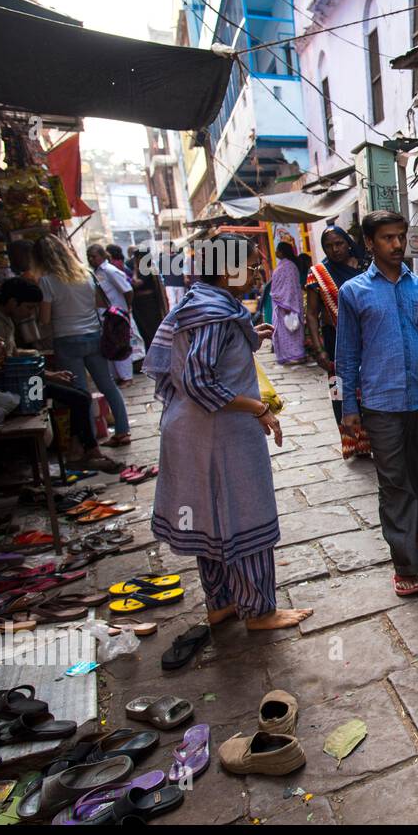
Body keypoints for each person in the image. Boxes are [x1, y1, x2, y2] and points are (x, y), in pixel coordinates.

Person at [145, 234, 312, 632]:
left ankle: (221, 603)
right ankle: (259, 611)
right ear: (226, 269)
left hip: (194, 431)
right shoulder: (216, 313)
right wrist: (259, 408)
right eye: (252, 266)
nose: (257, 275)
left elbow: (205, 357)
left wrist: (251, 336)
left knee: (212, 519)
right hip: (219, 434)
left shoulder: (202, 302)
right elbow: (199, 380)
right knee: (245, 516)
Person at [337, 210, 418, 597]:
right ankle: (405, 564)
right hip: (379, 402)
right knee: (393, 482)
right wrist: (348, 408)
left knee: (414, 470)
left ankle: (417, 529)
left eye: (400, 237)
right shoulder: (354, 292)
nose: (396, 245)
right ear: (371, 243)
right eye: (387, 238)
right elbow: (346, 354)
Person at [0, 278, 120, 472]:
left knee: (80, 396)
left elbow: (14, 357)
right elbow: (7, 364)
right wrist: (48, 375)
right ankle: (84, 453)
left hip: (20, 381)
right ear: (12, 302)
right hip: (7, 388)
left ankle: (82, 451)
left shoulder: (6, 319)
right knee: (76, 398)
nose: (30, 313)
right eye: (28, 307)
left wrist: (50, 373)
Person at [35, 234, 132, 447]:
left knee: (81, 393)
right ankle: (122, 431)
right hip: (93, 336)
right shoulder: (86, 274)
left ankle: (90, 445)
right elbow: (100, 303)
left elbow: (44, 319)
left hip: (66, 340)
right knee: (107, 385)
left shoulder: (46, 281)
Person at [305, 225, 371, 460]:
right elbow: (312, 313)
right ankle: (354, 443)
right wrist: (319, 349)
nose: (335, 249)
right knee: (340, 390)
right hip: (336, 340)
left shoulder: (366, 266)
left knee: (369, 387)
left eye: (339, 243)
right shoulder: (319, 273)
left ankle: (378, 439)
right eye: (329, 246)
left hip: (369, 338)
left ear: (348, 242)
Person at [87, 243, 145, 383]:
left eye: (93, 256)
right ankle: (119, 377)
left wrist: (126, 308)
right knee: (112, 344)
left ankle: (127, 377)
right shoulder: (98, 272)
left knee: (121, 344)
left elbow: (128, 290)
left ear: (101, 256)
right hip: (107, 315)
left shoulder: (110, 271)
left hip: (118, 314)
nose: (91, 259)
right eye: (89, 257)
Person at [269, 241, 306, 365]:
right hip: (284, 304)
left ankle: (295, 356)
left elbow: (288, 287)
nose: (276, 252)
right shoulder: (288, 265)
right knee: (287, 331)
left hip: (286, 304)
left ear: (282, 252)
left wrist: (286, 303)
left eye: (277, 250)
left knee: (290, 331)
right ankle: (290, 355)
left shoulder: (287, 266)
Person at [127, 246, 167, 347]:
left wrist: (135, 269)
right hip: (143, 305)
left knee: (151, 331)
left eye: (136, 258)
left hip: (148, 305)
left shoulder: (147, 270)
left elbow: (136, 283)